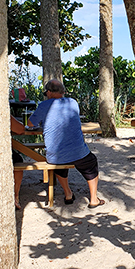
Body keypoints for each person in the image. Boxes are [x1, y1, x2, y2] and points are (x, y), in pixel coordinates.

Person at [26, 79, 104, 208]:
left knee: (58, 162)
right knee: (91, 162)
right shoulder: (73, 103)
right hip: (78, 153)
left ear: (49, 92)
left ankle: (68, 194)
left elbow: (30, 124)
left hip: (55, 157)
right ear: (63, 91)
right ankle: (94, 199)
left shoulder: (43, 106)